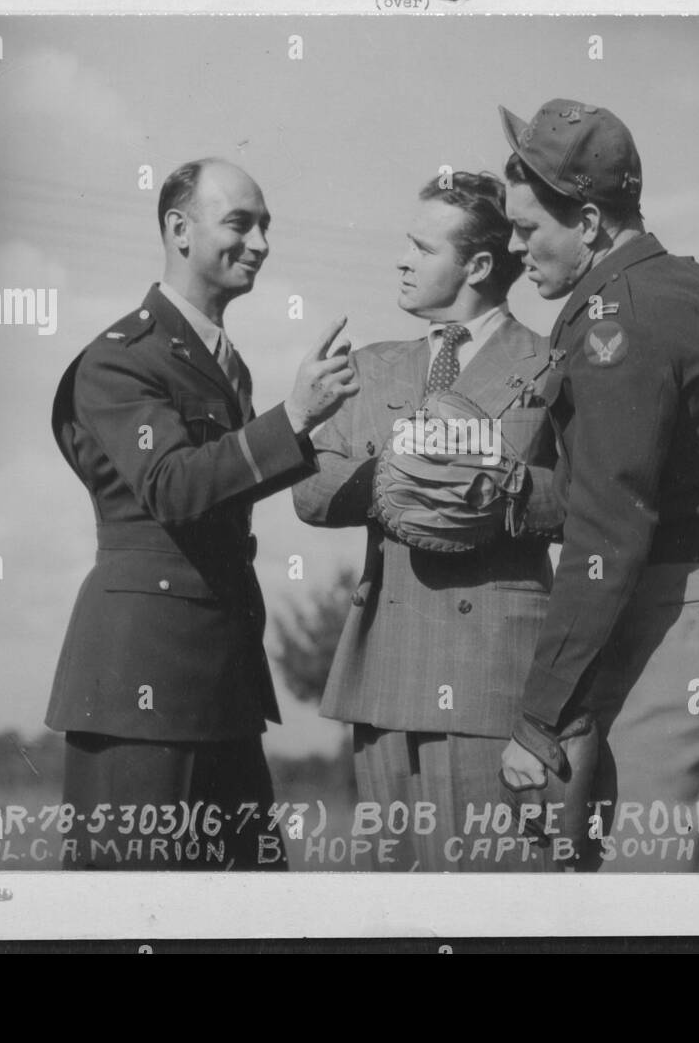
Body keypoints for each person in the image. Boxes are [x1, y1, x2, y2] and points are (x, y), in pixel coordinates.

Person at [46, 158, 358, 870]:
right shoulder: (120, 359)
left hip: (221, 685)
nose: (260, 244)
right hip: (139, 684)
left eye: (266, 227)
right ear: (178, 230)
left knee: (249, 908)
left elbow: (221, 492)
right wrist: (296, 417)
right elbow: (173, 487)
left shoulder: (225, 363)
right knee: (132, 908)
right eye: (240, 223)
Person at [495, 100, 699, 872]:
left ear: (587, 221)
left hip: (661, 631)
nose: (517, 249)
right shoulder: (678, 286)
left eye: (528, 230)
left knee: (633, 906)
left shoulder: (623, 322)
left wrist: (539, 717)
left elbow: (608, 532)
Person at [293, 171, 566, 872]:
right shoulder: (371, 368)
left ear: (477, 265)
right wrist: (403, 464)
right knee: (390, 915)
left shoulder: (552, 363)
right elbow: (312, 495)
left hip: (491, 680)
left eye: (421, 245)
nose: (402, 259)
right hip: (383, 678)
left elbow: (592, 503)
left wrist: (500, 489)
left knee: (489, 911)